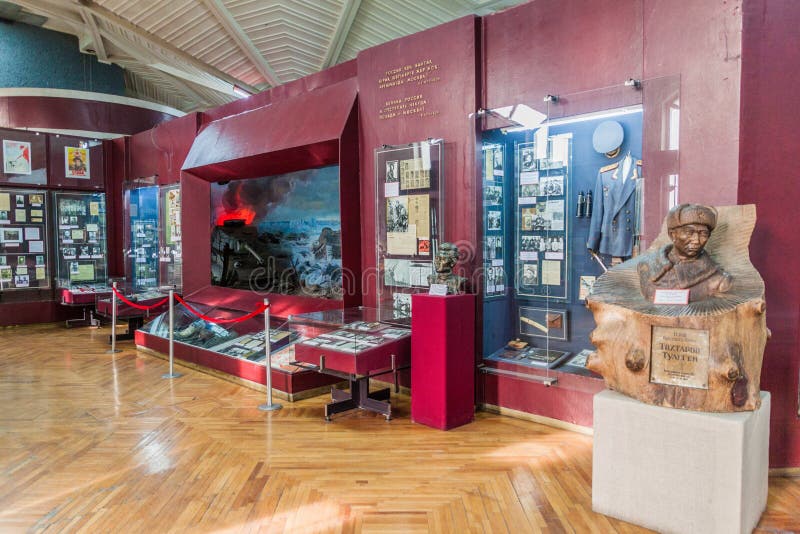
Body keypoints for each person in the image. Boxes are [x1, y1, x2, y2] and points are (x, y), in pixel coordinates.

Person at [637, 204, 733, 301]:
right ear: (672, 235)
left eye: (703, 234)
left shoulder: (719, 280)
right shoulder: (647, 266)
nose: (696, 240)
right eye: (689, 232)